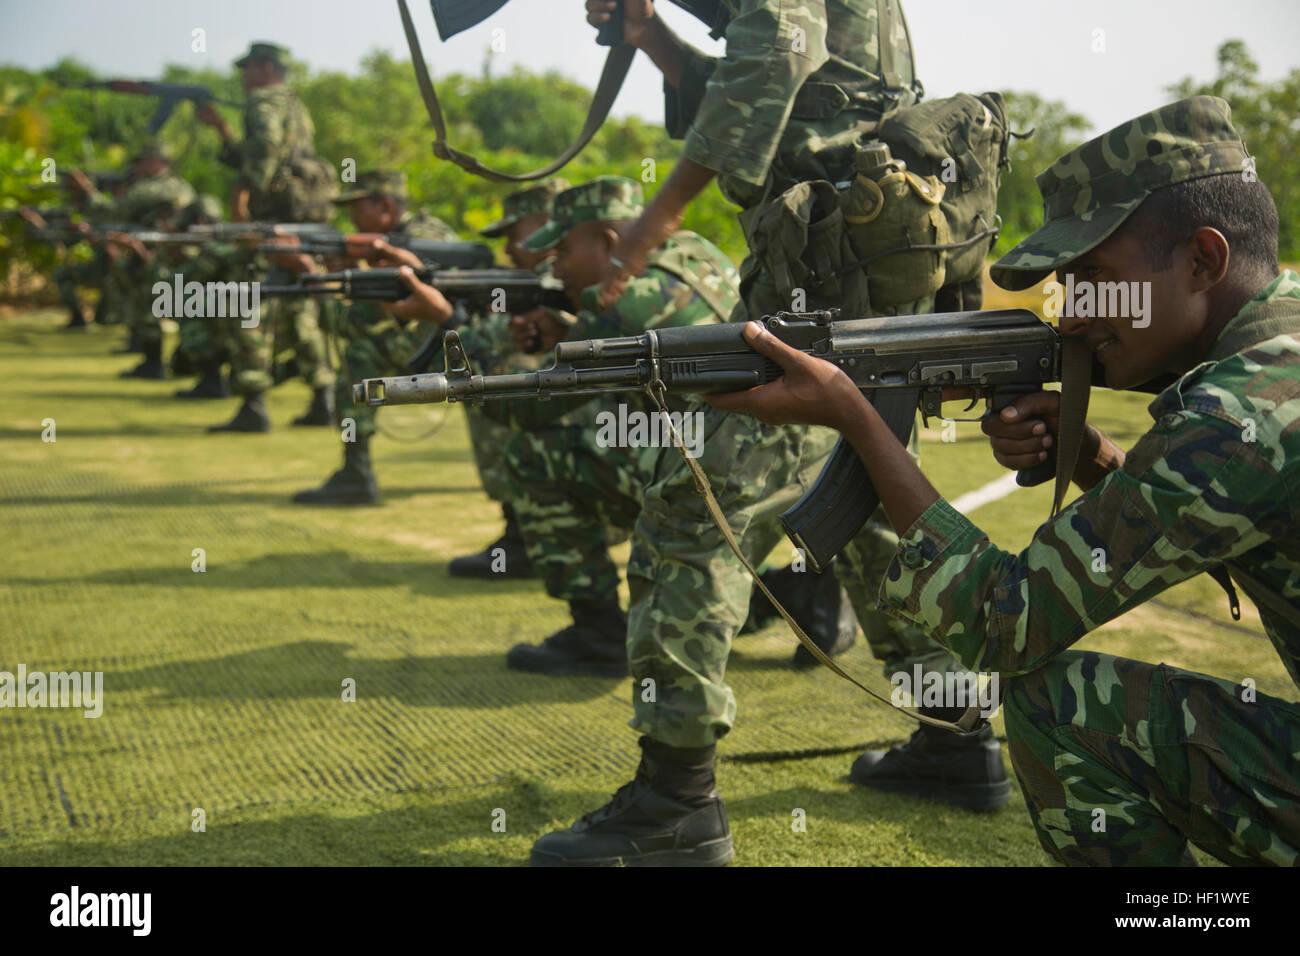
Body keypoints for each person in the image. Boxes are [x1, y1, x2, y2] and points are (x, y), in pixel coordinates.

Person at [708, 96, 1300, 866]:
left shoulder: (1237, 413)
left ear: (1203, 260)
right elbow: (1232, 516)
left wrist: (858, 420)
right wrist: (1091, 459)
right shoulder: (1275, 360)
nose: (1073, 313)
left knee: (1057, 706)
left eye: (1093, 275)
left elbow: (1006, 623)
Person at [527, 0, 1001, 867]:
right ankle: (958, 734)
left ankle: (676, 798)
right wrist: (657, 39)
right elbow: (803, 105)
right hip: (869, 268)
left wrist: (649, 225)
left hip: (819, 278)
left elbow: (769, 72)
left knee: (689, 517)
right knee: (865, 514)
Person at [287, 169, 460, 503]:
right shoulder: (413, 238)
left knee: (360, 356)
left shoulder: (421, 240)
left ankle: (356, 473)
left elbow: (355, 326)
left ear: (385, 207)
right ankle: (356, 471)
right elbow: (356, 321)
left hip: (454, 348)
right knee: (362, 350)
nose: (352, 219)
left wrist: (314, 275)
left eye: (358, 207)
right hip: (443, 346)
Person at [198, 41, 337, 433]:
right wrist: (223, 131)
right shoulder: (295, 104)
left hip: (269, 224)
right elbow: (274, 153)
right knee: (299, 312)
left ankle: (254, 405)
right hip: (296, 221)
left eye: (248, 68)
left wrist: (242, 196)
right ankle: (322, 398)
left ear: (265, 68)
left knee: (248, 309)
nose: (243, 76)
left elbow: (264, 151)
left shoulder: (262, 102)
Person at [68, 142, 196, 379]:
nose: (137, 167)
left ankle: (155, 364)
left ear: (158, 162)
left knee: (147, 308)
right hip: (163, 254)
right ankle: (154, 362)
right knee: (149, 307)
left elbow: (112, 211)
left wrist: (86, 191)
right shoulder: (178, 186)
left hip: (155, 256)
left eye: (143, 161)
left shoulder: (154, 188)